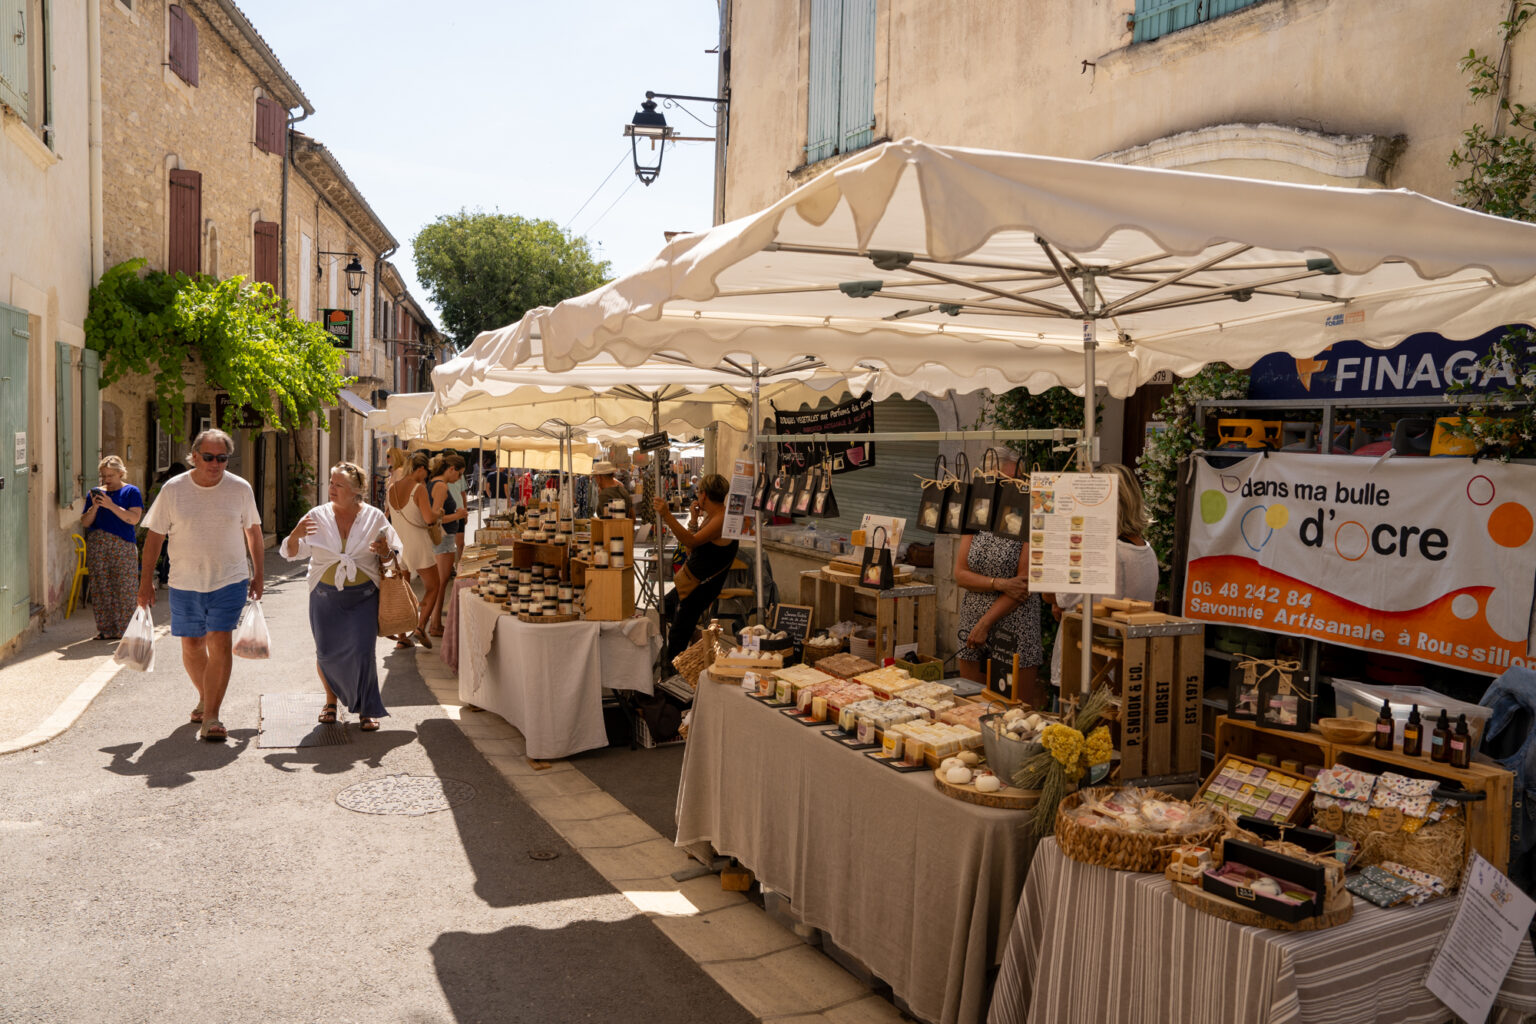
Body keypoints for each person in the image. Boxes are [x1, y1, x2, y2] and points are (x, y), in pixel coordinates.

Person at [137, 428, 264, 742]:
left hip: (230, 579)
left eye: (222, 458)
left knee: (220, 641)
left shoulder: (240, 489)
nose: (215, 463)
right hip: (184, 582)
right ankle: (206, 696)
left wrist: (259, 572)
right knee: (192, 646)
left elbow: (254, 532)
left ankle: (212, 716)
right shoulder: (173, 490)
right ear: (194, 457)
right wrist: (146, 581)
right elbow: (154, 537)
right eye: (208, 457)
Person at [280, 462, 401, 732]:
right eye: (331, 483)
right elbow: (291, 553)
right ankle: (330, 701)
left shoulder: (374, 517)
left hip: (364, 596)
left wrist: (384, 551)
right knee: (326, 653)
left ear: (356, 490)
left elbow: (393, 554)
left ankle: (367, 708)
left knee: (363, 652)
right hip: (324, 596)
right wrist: (295, 535)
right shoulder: (316, 516)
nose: (331, 489)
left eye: (338, 485)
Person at [1048, 463, 1160, 691]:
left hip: (1088, 669)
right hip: (1123, 667)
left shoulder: (1102, 550)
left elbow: (1052, 596)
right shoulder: (1146, 550)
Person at [954, 475, 1045, 702]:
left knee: (1013, 711)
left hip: (1015, 628)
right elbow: (960, 574)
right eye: (995, 478)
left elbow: (1024, 584)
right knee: (971, 706)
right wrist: (1000, 583)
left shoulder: (1031, 516)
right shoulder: (977, 514)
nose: (1002, 484)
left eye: (1009, 478)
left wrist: (985, 623)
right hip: (971, 625)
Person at [654, 474, 740, 667]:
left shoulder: (721, 518)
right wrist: (693, 519)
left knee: (677, 636)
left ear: (704, 495)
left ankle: (672, 679)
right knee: (665, 607)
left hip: (701, 586)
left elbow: (691, 541)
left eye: (699, 491)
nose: (697, 495)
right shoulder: (712, 517)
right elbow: (691, 549)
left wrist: (667, 515)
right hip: (691, 582)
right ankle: (691, 640)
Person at [80, 455, 144, 640]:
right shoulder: (95, 494)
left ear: (121, 473)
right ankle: (106, 629)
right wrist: (96, 507)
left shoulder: (131, 492)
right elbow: (85, 522)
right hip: (98, 545)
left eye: (111, 476)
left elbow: (133, 518)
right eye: (104, 476)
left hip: (122, 545)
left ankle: (126, 630)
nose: (107, 480)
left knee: (125, 588)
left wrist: (111, 505)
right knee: (101, 588)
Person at [385, 451, 442, 649]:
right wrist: (438, 512)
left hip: (398, 545)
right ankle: (419, 627)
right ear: (420, 469)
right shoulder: (418, 489)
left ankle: (402, 637)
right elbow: (428, 518)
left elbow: (389, 516)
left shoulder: (391, 488)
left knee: (404, 591)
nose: (427, 475)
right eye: (426, 471)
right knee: (434, 586)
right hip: (418, 544)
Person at [425, 453, 469, 636]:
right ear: (451, 469)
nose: (459, 479)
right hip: (443, 539)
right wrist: (458, 515)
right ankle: (434, 624)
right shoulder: (441, 486)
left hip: (442, 539)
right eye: (459, 474)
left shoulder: (433, 483)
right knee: (441, 584)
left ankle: (434, 623)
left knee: (439, 583)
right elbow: (436, 518)